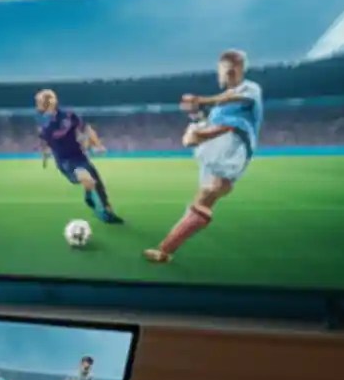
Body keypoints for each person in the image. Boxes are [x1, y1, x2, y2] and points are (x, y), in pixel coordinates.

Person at [144, 49, 264, 263]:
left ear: (241, 70)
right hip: (213, 155)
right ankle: (165, 251)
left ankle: (165, 251)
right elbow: (210, 121)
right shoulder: (218, 107)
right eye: (225, 70)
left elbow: (232, 105)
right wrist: (195, 121)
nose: (228, 75)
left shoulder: (251, 89)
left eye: (233, 70)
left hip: (232, 152)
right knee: (202, 201)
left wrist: (201, 101)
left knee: (210, 193)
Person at [35, 89, 123, 224]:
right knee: (88, 179)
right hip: (66, 162)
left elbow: (86, 129)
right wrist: (45, 156)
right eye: (45, 100)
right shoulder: (45, 126)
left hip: (80, 156)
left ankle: (108, 211)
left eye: (50, 98)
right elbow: (44, 143)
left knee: (98, 184)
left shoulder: (69, 115)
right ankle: (93, 202)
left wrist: (97, 144)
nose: (50, 101)